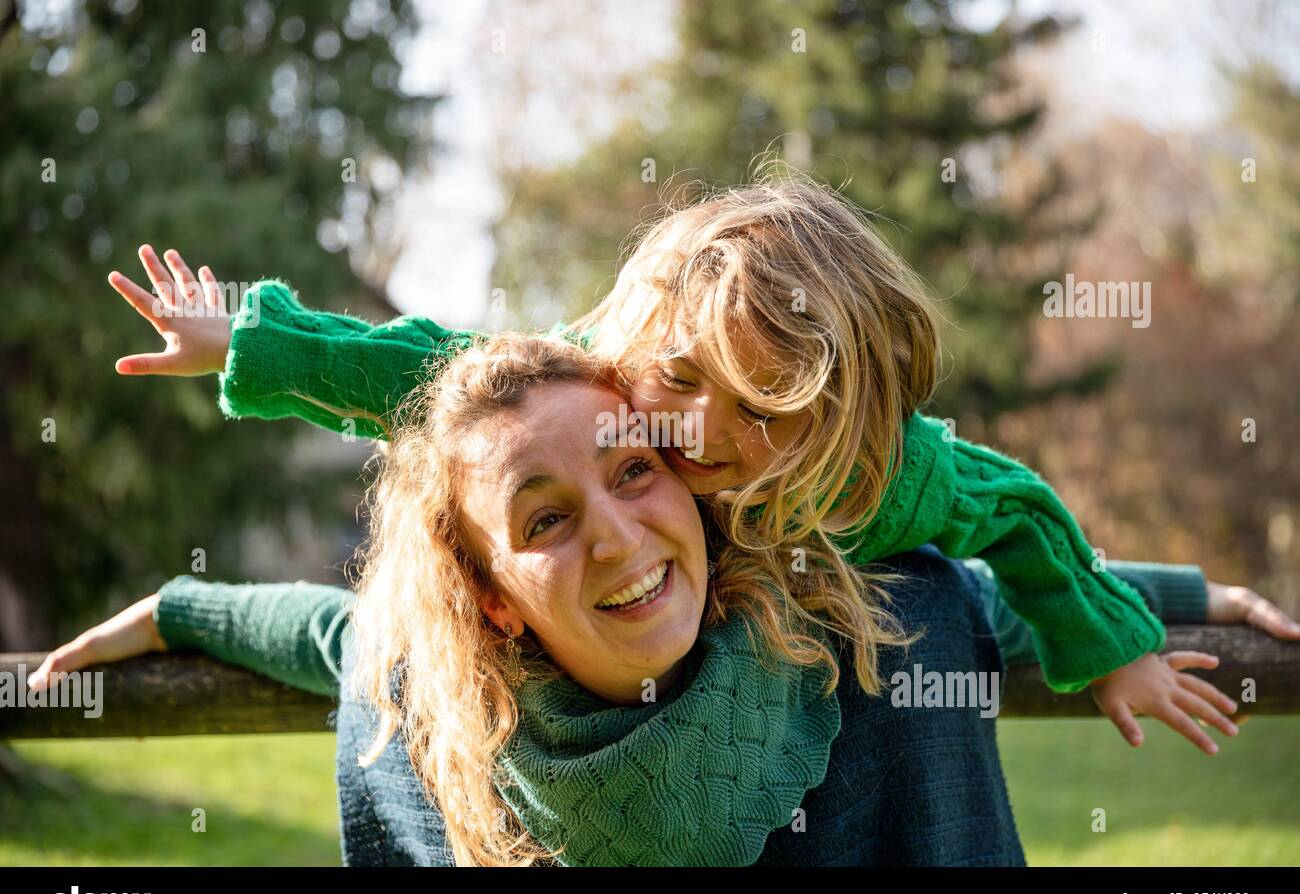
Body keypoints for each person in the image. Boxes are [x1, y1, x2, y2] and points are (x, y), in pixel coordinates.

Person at [102, 170, 1298, 752]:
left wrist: (1119, 643)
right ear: (633, 336)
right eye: (680, 377)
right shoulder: (601, 383)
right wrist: (247, 340)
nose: (698, 433)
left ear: (838, 423)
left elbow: (1027, 522)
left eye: (761, 413)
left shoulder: (885, 481)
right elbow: (423, 371)